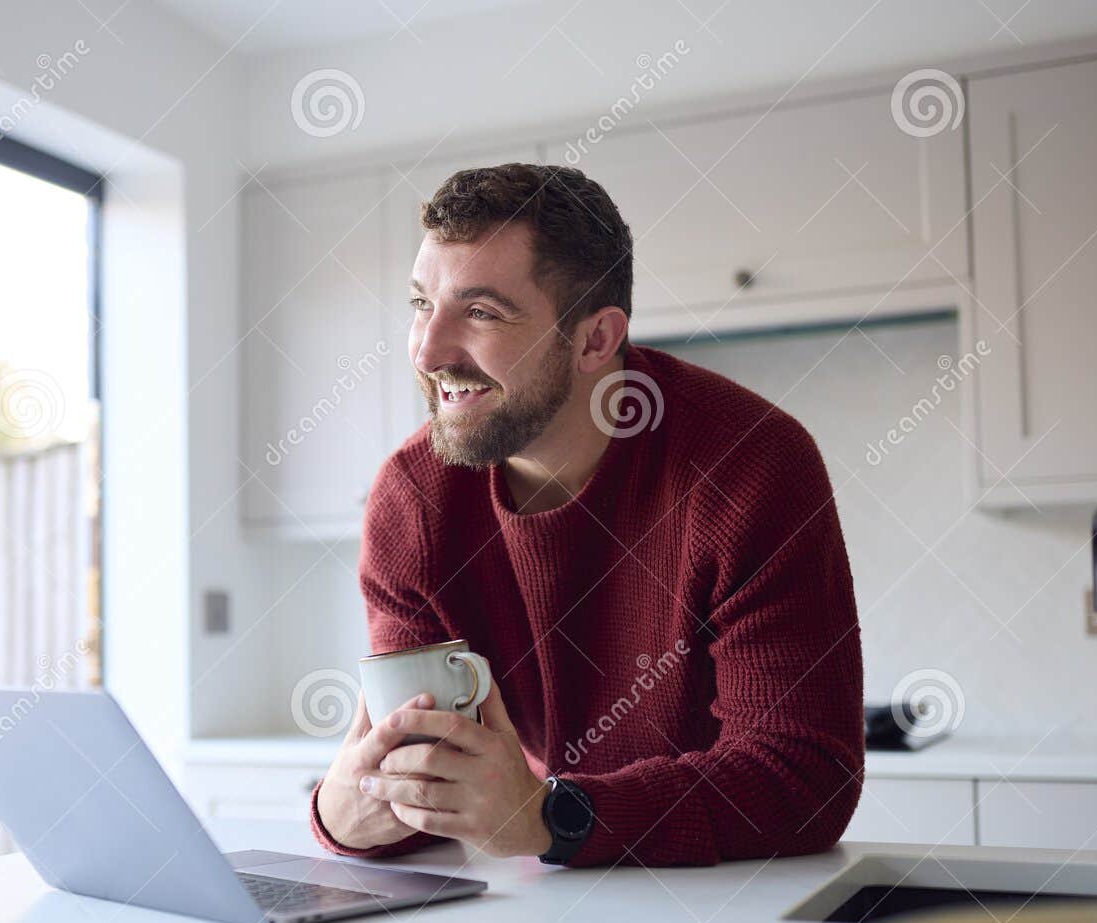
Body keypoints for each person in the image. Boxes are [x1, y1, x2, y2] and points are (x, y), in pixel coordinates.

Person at [311, 163, 863, 868]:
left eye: (481, 313)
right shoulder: (412, 499)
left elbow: (803, 781)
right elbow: (419, 780)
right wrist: (342, 812)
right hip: (548, 897)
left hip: (733, 911)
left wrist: (553, 817)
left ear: (596, 340)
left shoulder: (752, 467)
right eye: (423, 304)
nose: (427, 350)